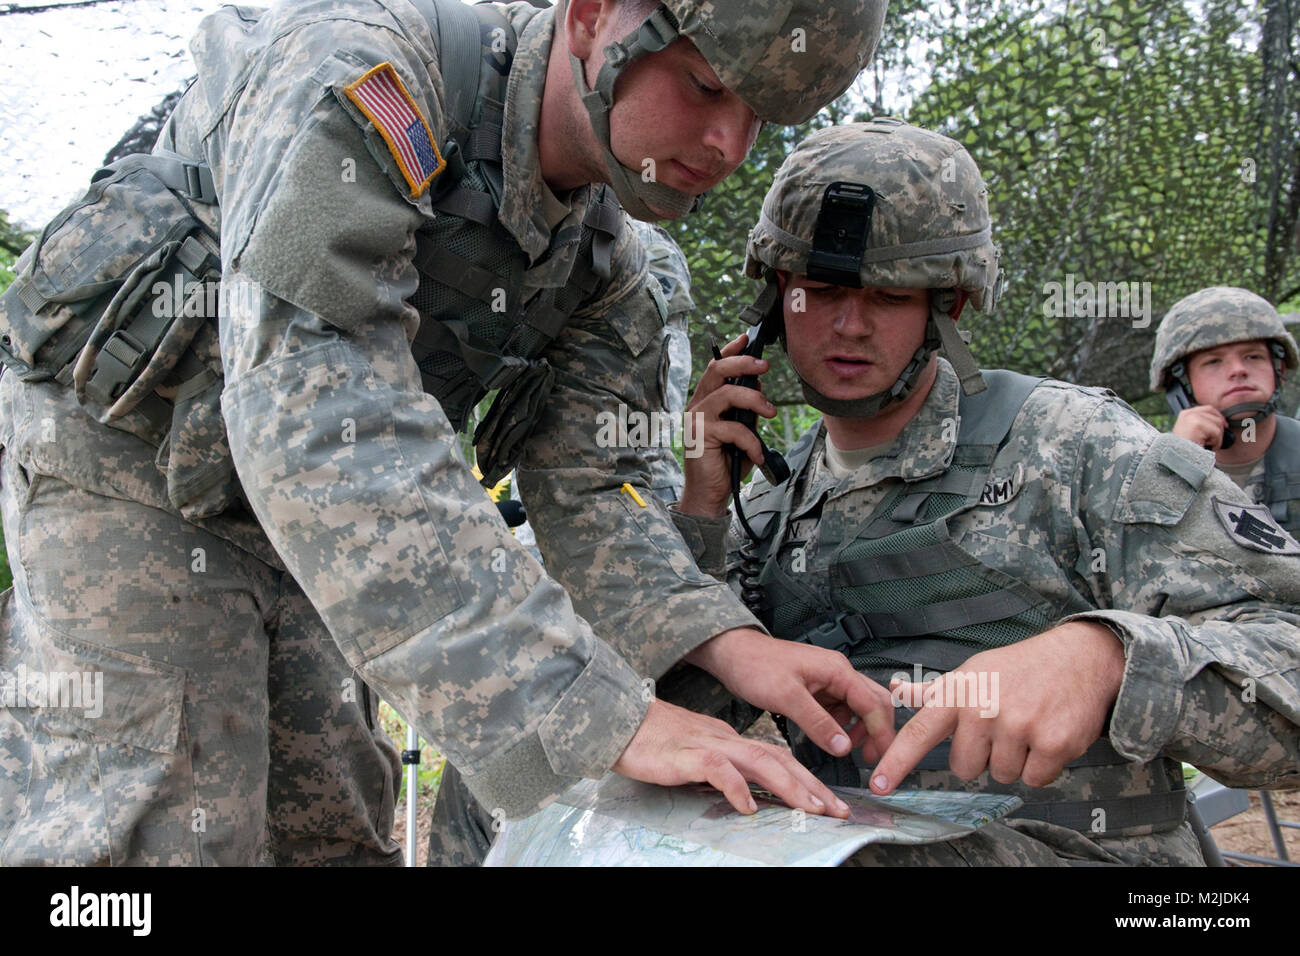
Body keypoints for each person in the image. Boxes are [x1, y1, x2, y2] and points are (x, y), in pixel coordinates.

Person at [0, 0, 896, 865]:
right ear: (593, 18)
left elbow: (597, 490)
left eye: (761, 115)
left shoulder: (605, 262)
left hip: (303, 521)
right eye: (706, 86)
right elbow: (318, 413)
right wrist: (597, 715)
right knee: (165, 826)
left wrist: (725, 640)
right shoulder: (362, 71)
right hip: (126, 460)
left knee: (333, 829)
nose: (728, 146)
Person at [673, 119, 1300, 865]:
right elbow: (679, 718)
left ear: (950, 308)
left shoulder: (1073, 444)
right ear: (776, 303)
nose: (849, 325)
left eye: (889, 295)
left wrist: (1105, 659)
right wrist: (700, 510)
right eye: (821, 290)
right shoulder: (770, 508)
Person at [1150, 286, 1300, 536]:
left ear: (1279, 370)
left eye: (1253, 356)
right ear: (1180, 385)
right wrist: (1178, 461)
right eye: (1213, 361)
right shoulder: (1147, 471)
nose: (1237, 370)